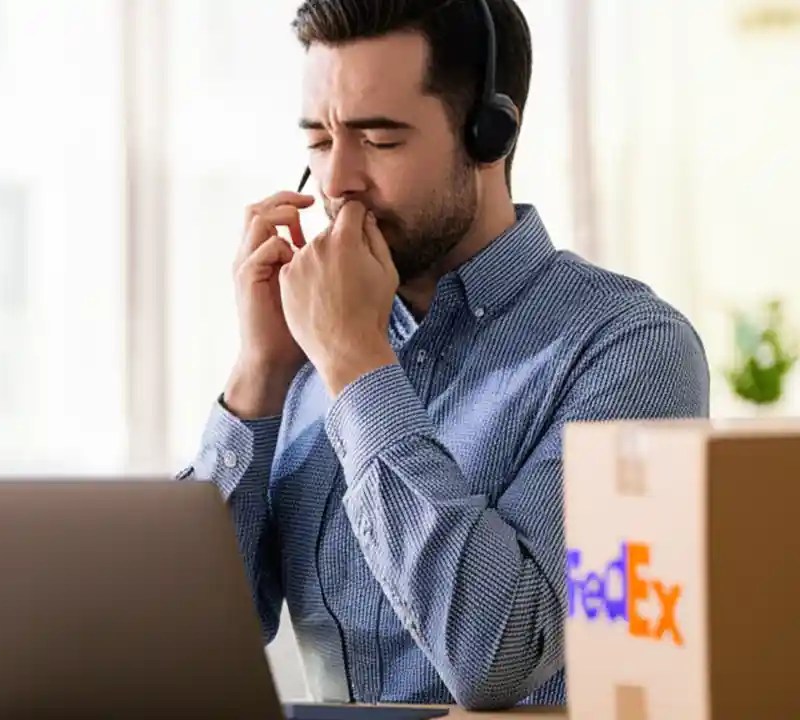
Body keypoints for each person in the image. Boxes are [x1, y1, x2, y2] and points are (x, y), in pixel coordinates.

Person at [177, 0, 709, 710]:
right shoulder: (303, 341)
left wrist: (357, 366)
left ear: (489, 136)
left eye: (379, 139)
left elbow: (500, 655)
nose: (335, 182)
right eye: (320, 140)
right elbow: (187, 641)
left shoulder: (630, 350)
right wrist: (260, 373)